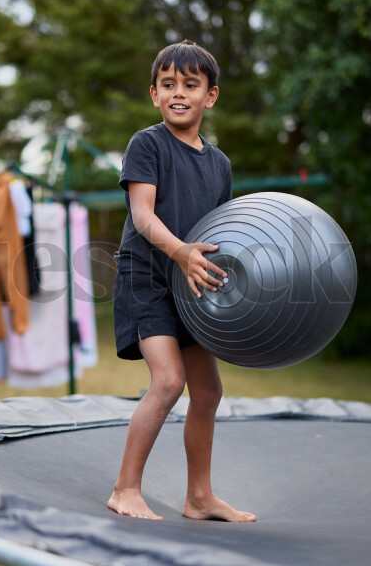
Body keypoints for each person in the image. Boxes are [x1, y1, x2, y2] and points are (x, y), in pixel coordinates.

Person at [108, 40, 257, 522]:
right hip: (147, 276)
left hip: (191, 284)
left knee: (208, 391)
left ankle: (198, 497)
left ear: (209, 96)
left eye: (190, 85)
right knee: (169, 380)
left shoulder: (219, 164)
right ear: (155, 94)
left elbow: (221, 229)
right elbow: (143, 215)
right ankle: (125, 489)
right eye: (168, 84)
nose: (179, 93)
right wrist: (181, 253)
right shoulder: (147, 144)